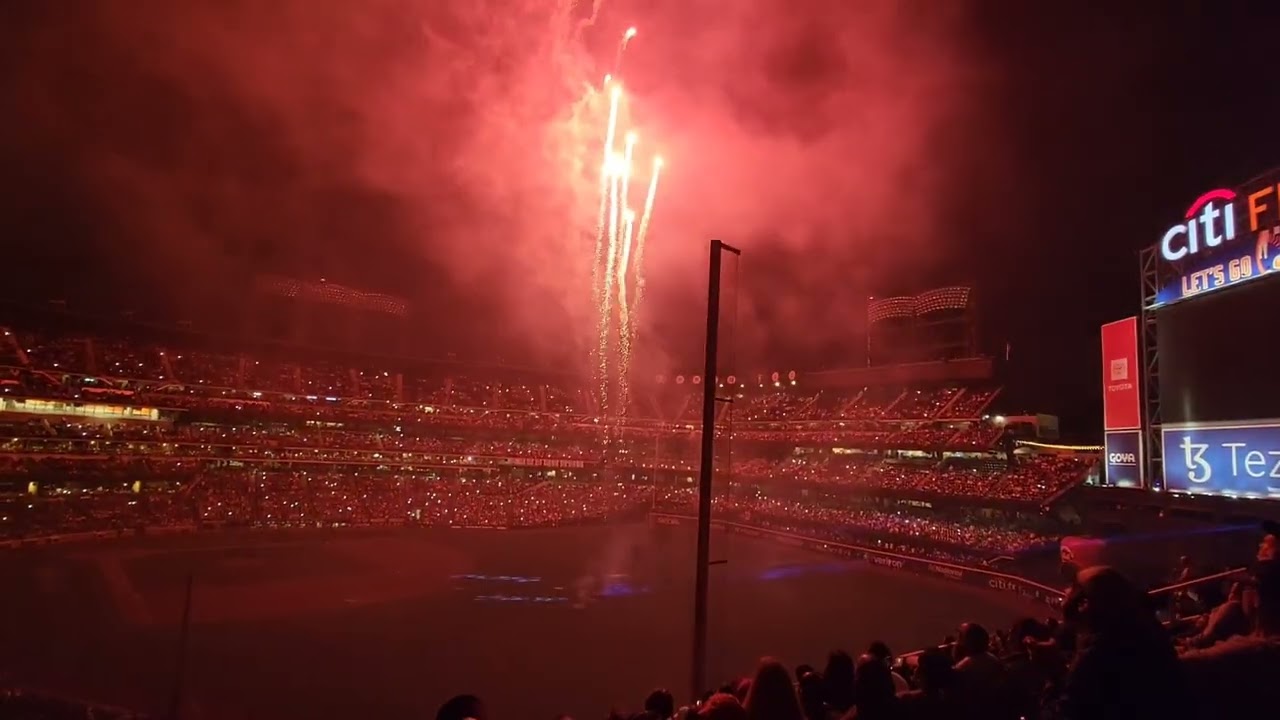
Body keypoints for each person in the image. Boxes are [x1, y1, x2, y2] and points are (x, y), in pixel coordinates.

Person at [1043, 566, 1193, 720]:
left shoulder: (1098, 653)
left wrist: (1053, 673)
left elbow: (1063, 713)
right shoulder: (1145, 630)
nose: (1066, 590)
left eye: (1074, 586)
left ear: (1084, 604)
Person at [1180, 559, 1280, 718]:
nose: (1234, 594)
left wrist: (1208, 631)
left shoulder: (1253, 650)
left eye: (1243, 588)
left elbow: (1176, 666)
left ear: (1256, 597)